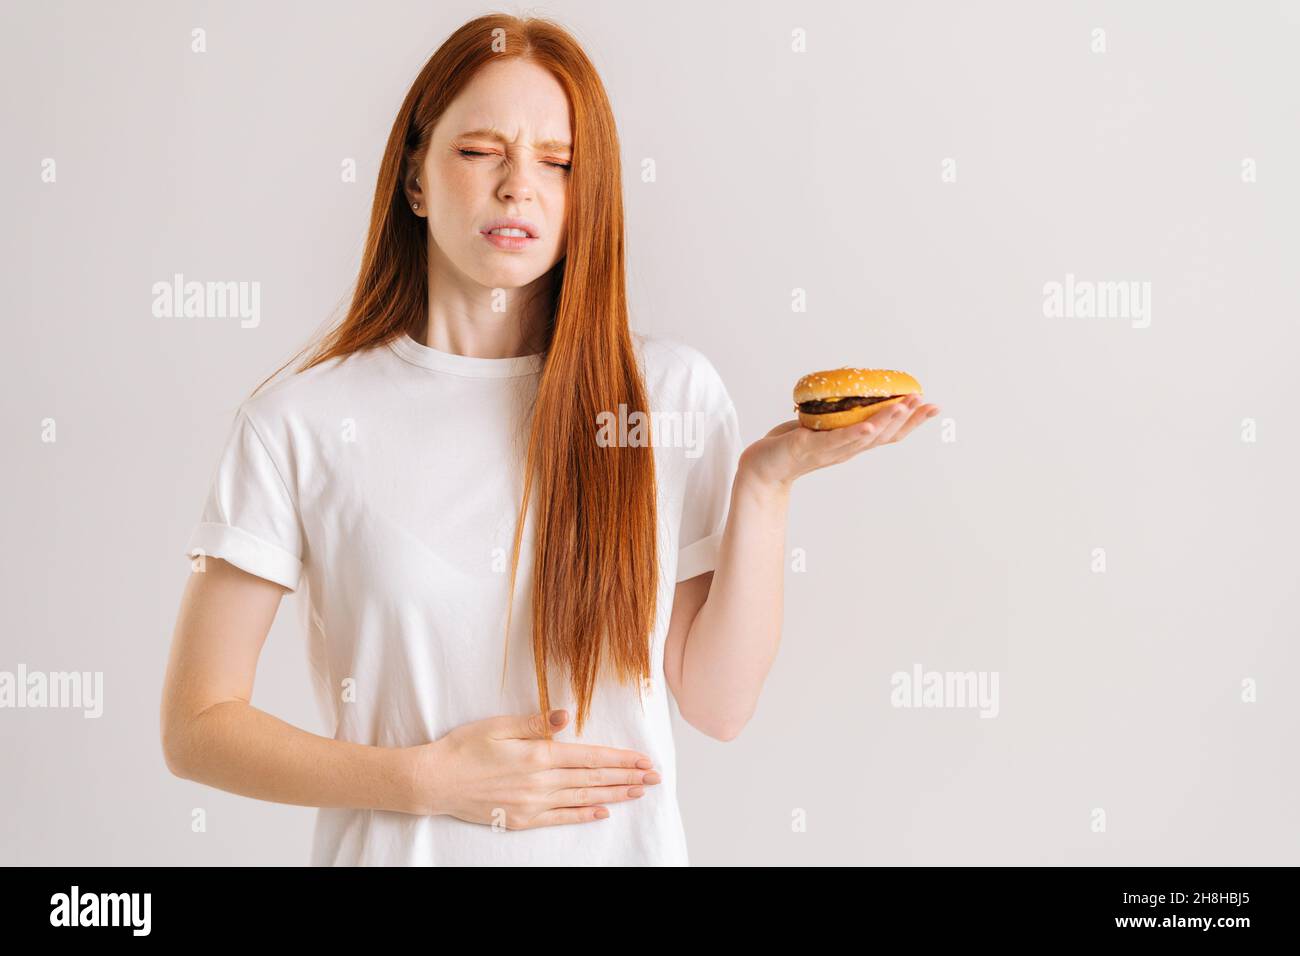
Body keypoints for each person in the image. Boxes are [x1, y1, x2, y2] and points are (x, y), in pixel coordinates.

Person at [160, 12, 940, 866]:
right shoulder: (297, 422)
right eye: (478, 151)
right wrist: (425, 782)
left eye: (557, 163)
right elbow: (198, 727)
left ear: (585, 193)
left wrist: (765, 486)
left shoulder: (666, 397)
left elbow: (719, 705)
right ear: (415, 179)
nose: (517, 186)